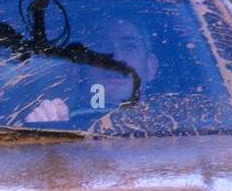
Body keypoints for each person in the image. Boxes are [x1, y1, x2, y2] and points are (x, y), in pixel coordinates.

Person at [25, 16, 159, 123]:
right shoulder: (57, 123)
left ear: (150, 67)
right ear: (75, 68)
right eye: (101, 45)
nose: (116, 58)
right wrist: (48, 134)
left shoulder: (174, 126)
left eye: (129, 47)